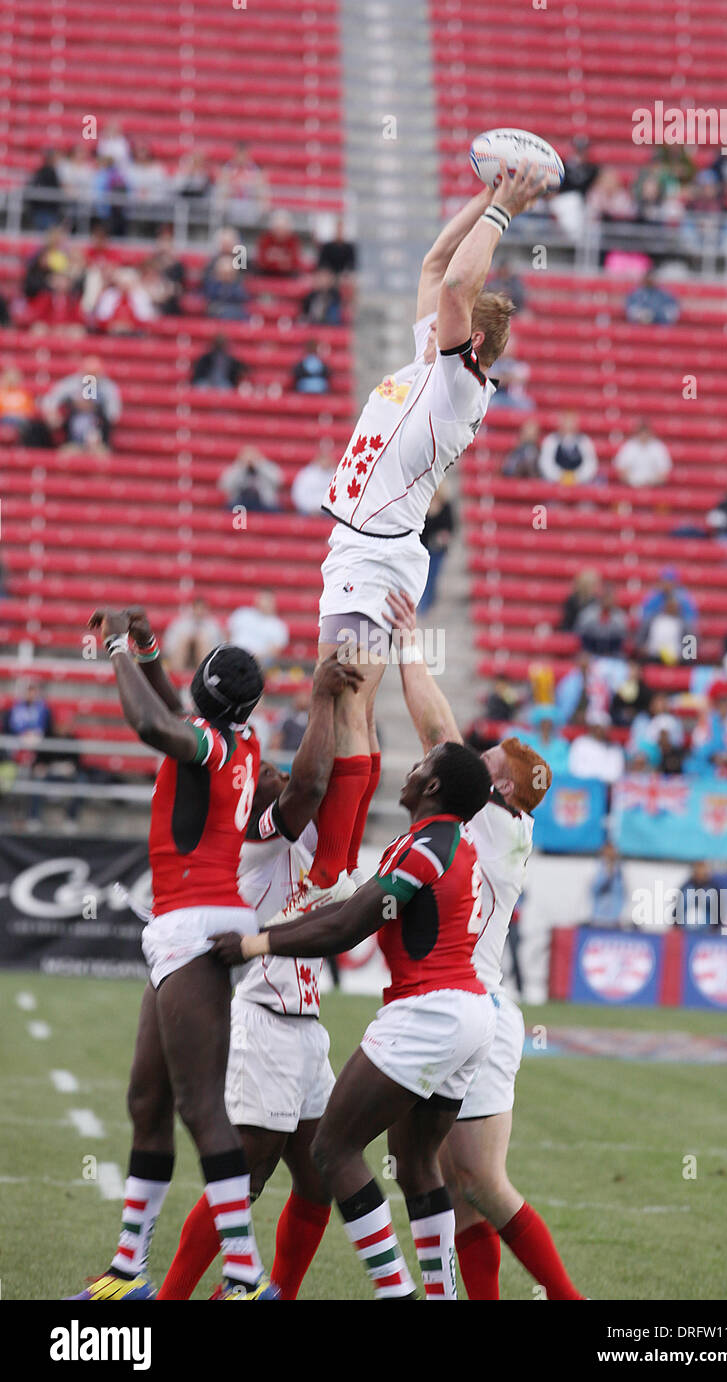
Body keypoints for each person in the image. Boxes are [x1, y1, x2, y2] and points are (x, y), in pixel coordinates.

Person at [284, 162, 550, 918]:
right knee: (348, 707)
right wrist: (483, 188)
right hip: (357, 545)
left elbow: (454, 288)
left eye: (447, 322)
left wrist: (503, 208)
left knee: (346, 704)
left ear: (473, 346)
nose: (435, 316)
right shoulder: (426, 363)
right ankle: (330, 864)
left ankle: (330, 869)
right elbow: (440, 265)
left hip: (378, 553)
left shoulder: (460, 385)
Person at [212, 739, 499, 1301]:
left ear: (433, 787)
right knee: (416, 1164)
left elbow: (349, 928)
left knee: (332, 1149)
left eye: (420, 766)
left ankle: (397, 1292)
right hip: (470, 1013)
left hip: (428, 1010)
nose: (409, 771)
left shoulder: (422, 845)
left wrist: (256, 943)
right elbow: (355, 909)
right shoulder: (458, 843)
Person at [379, 588, 583, 1301]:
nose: (475, 750)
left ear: (496, 785)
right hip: (469, 1005)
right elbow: (441, 731)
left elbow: (437, 726)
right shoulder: (502, 822)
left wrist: (408, 641)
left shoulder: (494, 823)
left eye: (487, 756)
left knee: (481, 1183)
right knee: (458, 1185)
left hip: (478, 1009)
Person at [69, 606, 275, 1300]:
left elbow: (152, 723)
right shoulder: (234, 740)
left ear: (206, 695)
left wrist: (119, 650)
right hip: (190, 922)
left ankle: (246, 1277)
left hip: (196, 923)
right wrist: (146, 644)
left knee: (199, 1105)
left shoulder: (205, 742)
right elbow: (171, 709)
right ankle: (129, 1268)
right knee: (148, 1097)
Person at [156, 655, 364, 1301]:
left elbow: (330, 782)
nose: (269, 771)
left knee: (317, 1177)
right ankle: (171, 1297)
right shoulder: (258, 836)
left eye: (273, 768)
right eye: (263, 770)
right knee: (245, 1171)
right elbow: (306, 785)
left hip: (304, 1027)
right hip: (264, 1020)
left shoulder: (291, 841)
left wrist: (353, 704)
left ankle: (272, 1294)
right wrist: (322, 697)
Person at [40, 355, 122, 447]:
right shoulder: (72, 383)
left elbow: (114, 415)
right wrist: (53, 413)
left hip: (98, 438)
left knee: (99, 454)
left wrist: (95, 407)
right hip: (73, 438)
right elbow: (50, 400)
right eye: (88, 374)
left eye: (94, 374)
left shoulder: (108, 388)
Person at [418, 485, 455, 614]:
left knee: (433, 576)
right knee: (423, 576)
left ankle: (427, 604)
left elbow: (451, 526)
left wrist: (443, 535)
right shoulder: (422, 505)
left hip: (437, 550)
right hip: (424, 548)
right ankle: (422, 604)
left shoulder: (445, 506)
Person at [228, 592, 289, 666]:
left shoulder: (278, 626)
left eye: (267, 600)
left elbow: (274, 651)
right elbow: (228, 634)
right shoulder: (242, 613)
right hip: (233, 655)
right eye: (262, 599)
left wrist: (250, 657)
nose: (264, 603)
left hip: (257, 662)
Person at [163, 598, 224, 671]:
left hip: (205, 656)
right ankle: (179, 673)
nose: (199, 611)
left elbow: (218, 647)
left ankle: (202, 671)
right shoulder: (180, 623)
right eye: (197, 608)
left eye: (202, 608)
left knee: (202, 641)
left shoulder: (213, 626)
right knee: (183, 640)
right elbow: (169, 646)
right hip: (181, 657)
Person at [538, 412, 599, 485]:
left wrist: (576, 477)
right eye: (566, 422)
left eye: (571, 422)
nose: (569, 425)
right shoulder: (551, 440)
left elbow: (590, 463)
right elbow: (546, 462)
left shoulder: (584, 441)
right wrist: (560, 476)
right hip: (555, 482)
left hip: (580, 483)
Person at [219, 445, 282, 513]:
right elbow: (225, 486)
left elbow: (278, 482)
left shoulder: (267, 467)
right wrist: (241, 467)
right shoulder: (236, 468)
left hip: (263, 502)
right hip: (241, 502)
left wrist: (259, 465)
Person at [568, 711, 625, 784]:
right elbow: (575, 769)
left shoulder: (615, 748)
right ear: (592, 728)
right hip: (583, 786)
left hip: (606, 787)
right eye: (598, 727)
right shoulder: (580, 744)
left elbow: (616, 774)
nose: (600, 731)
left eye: (604, 728)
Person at [613, 420, 672, 488]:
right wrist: (633, 481)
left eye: (646, 432)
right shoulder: (629, 446)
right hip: (631, 486)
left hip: (654, 487)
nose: (644, 434)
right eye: (641, 432)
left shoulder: (658, 447)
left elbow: (664, 472)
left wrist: (651, 482)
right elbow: (621, 469)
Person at [576, 584, 626, 657]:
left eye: (610, 598)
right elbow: (581, 631)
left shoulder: (619, 615)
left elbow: (622, 635)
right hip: (590, 650)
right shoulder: (589, 612)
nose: (608, 601)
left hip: (613, 652)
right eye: (606, 598)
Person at [291, 442, 336, 515]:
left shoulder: (335, 475)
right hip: (308, 511)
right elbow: (298, 494)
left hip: (328, 513)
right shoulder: (307, 474)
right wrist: (311, 508)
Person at [589, 843, 626, 929]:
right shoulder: (597, 868)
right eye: (607, 853)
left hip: (614, 920)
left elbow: (622, 893)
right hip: (598, 919)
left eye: (612, 853)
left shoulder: (621, 870)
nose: (610, 855)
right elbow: (595, 890)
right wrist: (607, 875)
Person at [256, 211, 302, 277]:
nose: (280, 232)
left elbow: (295, 263)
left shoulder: (293, 240)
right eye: (278, 229)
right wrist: (282, 263)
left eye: (283, 229)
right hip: (266, 274)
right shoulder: (265, 239)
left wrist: (273, 261)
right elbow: (261, 262)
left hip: (288, 275)